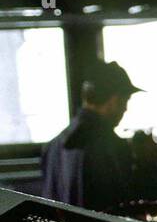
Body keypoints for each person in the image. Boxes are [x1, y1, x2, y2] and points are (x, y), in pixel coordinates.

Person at [41, 59, 145, 213]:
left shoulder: (53, 145)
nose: (125, 109)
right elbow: (121, 210)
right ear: (114, 100)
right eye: (125, 101)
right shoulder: (112, 146)